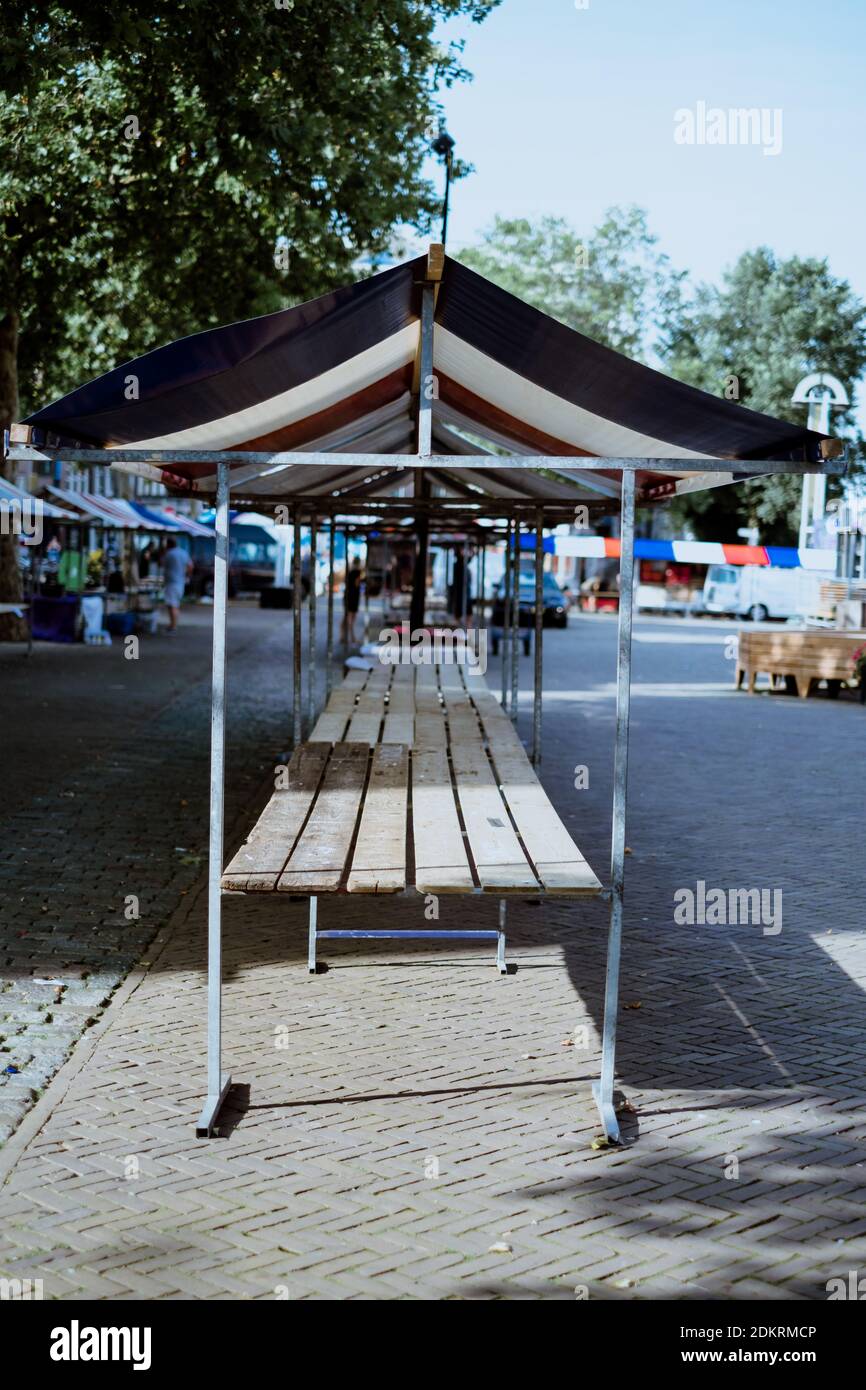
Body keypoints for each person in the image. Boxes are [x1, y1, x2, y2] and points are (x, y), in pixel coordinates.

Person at [161, 538, 192, 633]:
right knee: (175, 604)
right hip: (180, 582)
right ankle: (173, 625)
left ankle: (173, 626)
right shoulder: (183, 552)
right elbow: (191, 566)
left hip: (172, 582)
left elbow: (160, 563)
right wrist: (187, 576)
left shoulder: (169, 553)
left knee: (172, 605)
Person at [342, 555, 363, 645]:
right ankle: (351, 637)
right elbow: (357, 584)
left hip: (348, 595)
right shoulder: (357, 572)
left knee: (347, 617)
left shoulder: (349, 571)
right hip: (353, 596)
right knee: (350, 617)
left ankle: (343, 635)